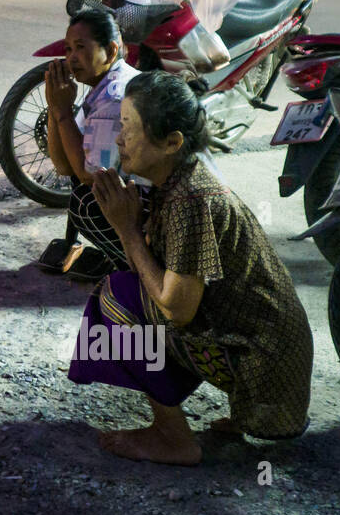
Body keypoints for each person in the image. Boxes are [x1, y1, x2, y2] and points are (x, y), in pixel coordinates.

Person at [68, 71, 313, 466]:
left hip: (265, 366)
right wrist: (130, 228)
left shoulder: (190, 199)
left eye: (128, 129)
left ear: (171, 143)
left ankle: (173, 438)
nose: (118, 139)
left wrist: (127, 230)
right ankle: (233, 412)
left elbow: (175, 309)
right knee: (135, 289)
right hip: (266, 359)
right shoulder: (182, 181)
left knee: (115, 296)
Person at [41, 7, 141, 280]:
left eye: (80, 48)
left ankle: (138, 266)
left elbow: (90, 175)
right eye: (68, 49)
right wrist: (55, 107)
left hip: (154, 205)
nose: (71, 58)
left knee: (87, 204)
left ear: (110, 51)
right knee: (82, 196)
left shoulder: (113, 97)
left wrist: (62, 112)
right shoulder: (102, 87)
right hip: (137, 195)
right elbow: (64, 166)